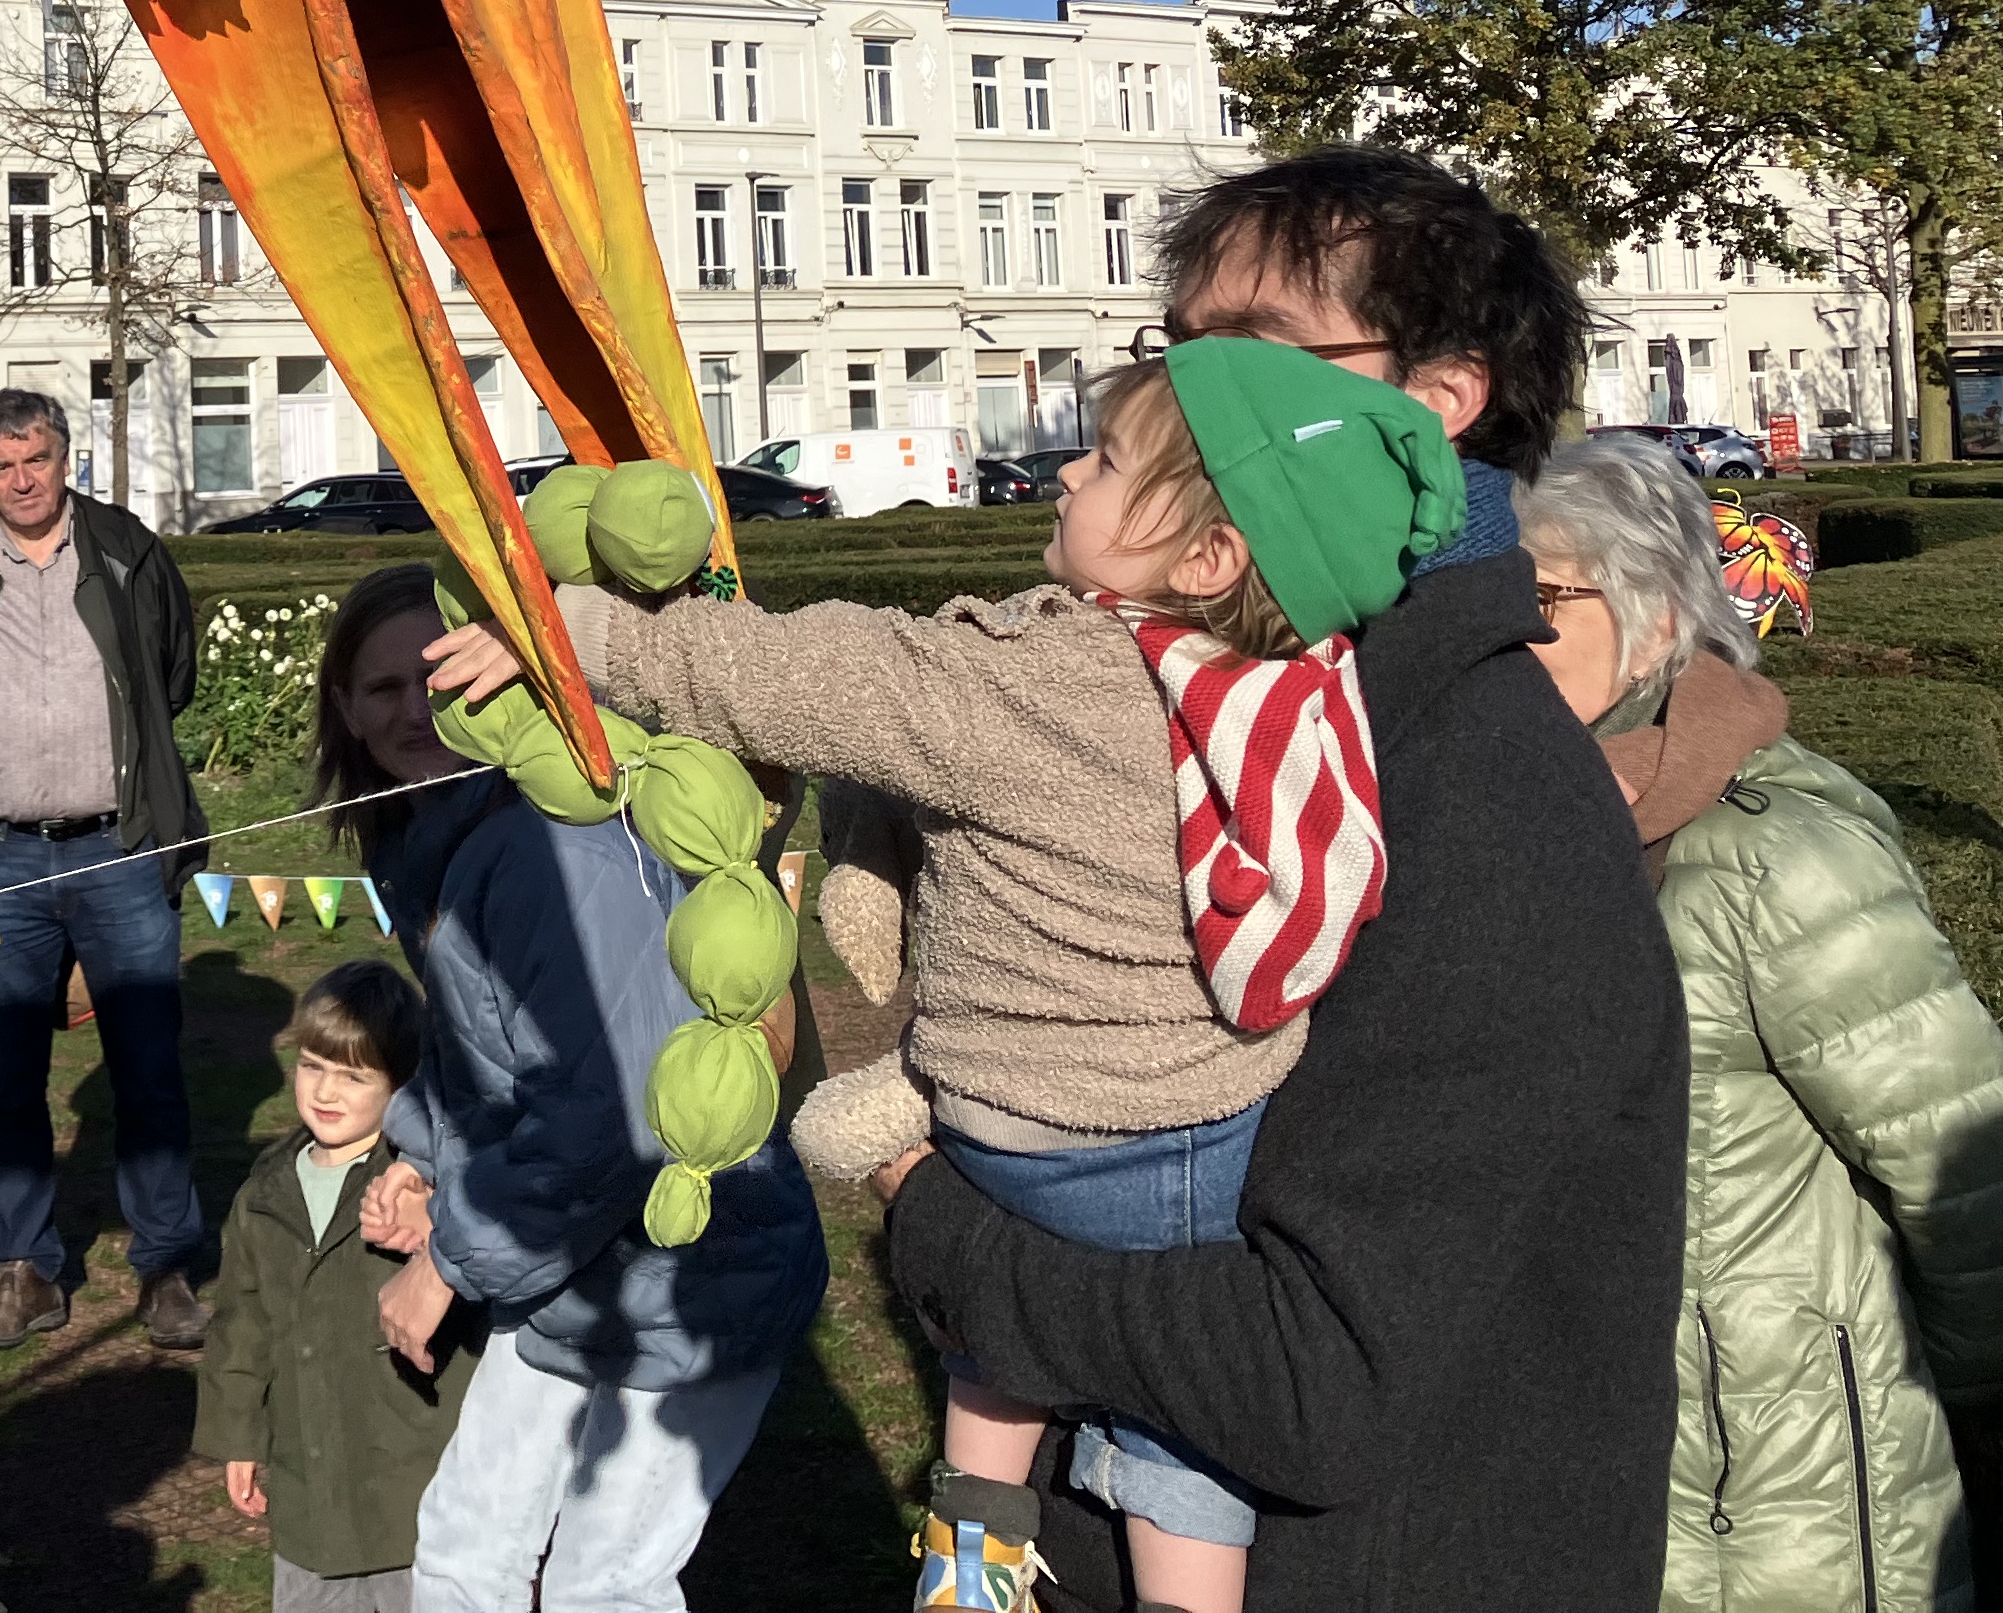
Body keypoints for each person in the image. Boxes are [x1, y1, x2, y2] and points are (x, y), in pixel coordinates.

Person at [444, 361, 1451, 1613]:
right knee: (1177, 1420)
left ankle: (971, 1557)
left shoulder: (1044, 682)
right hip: (1205, 1133)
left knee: (999, 1327)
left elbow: (808, 678)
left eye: (1110, 464)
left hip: (1018, 1127)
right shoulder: (1289, 680)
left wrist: (571, 631)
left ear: (1207, 560)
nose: (1070, 470)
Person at [875, 146, 1689, 1612]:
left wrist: (929, 1208)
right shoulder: (1221, 697)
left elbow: (1314, 1378)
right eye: (1169, 351)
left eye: (1237, 356)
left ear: (1433, 406)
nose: (1173, 402)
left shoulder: (1473, 792)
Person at [1518, 437, 2003, 1611]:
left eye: (1539, 598)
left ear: (1659, 613)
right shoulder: (1495, 819)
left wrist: (1879, 1386)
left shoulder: (1773, 853)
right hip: (1563, 1470)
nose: (1500, 631)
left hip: (1774, 1497)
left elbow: (1997, 1188)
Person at [313, 566, 824, 1613]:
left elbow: (618, 1117)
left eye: (436, 675)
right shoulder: (436, 841)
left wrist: (450, 1264)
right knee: (466, 1551)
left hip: (696, 1267)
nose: (414, 711)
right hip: (574, 1258)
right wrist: (421, 1159)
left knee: (606, 1586)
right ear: (345, 715)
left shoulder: (551, 842)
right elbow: (488, 1061)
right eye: (380, 691)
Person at [0, 385, 212, 1351]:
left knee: (149, 1072)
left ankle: (165, 1269)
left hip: (120, 848)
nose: (21, 480)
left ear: (65, 457)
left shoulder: (125, 552)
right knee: (4, 1080)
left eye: (35, 459)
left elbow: (175, 671)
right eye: (1, 466)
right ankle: (27, 1269)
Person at [195, 961, 479, 1613]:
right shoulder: (266, 1191)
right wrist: (238, 1434)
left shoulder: (420, 1183)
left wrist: (434, 1219)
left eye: (355, 1076)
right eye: (314, 1065)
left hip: (415, 1482)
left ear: (401, 1088)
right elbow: (242, 1321)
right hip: (310, 1494)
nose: (327, 1091)